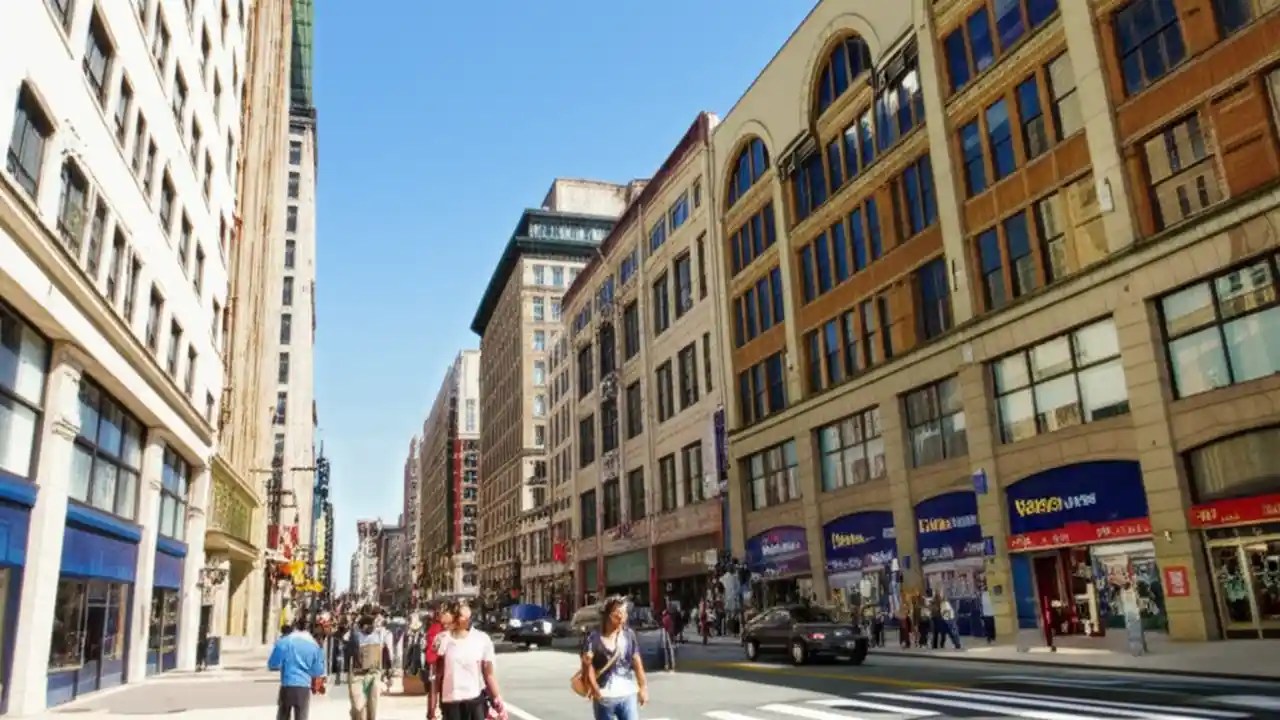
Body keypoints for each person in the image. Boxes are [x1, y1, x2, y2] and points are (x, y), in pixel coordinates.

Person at [430, 600, 503, 720]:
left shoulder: (482, 640)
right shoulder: (442, 640)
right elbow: (436, 676)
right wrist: (432, 708)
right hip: (451, 703)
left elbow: (489, 674)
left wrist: (497, 700)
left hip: (475, 701)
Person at [580, 596, 648, 720]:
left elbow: (637, 661)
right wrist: (593, 687)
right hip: (604, 697)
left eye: (624, 612)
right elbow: (588, 664)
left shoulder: (629, 635)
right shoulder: (594, 637)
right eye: (618, 612)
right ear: (608, 616)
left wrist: (643, 688)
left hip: (628, 695)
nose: (622, 616)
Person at [267, 619, 326, 720]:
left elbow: (272, 664)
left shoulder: (284, 642)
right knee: (301, 716)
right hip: (303, 687)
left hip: (287, 685)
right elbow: (318, 671)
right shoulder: (314, 646)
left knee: (283, 716)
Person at [346, 607, 395, 720]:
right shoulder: (355, 636)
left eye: (372, 625)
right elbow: (348, 654)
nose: (371, 627)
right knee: (358, 707)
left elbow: (385, 653)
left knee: (373, 705)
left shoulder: (378, 636)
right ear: (362, 626)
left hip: (374, 674)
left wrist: (388, 672)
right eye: (368, 625)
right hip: (359, 676)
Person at [426, 604, 454, 719]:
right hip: (439, 665)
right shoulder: (435, 629)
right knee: (435, 689)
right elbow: (431, 650)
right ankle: (432, 713)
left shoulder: (454, 628)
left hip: (451, 667)